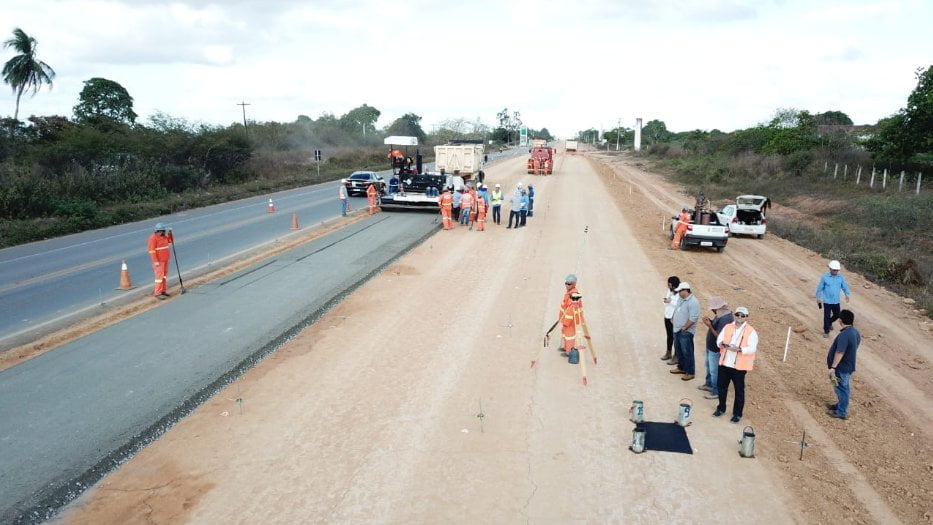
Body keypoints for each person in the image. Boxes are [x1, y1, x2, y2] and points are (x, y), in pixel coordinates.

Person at [714, 306, 758, 423]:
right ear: (735, 315)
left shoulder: (751, 331)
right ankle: (721, 408)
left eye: (742, 316)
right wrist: (721, 344)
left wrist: (739, 349)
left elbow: (752, 348)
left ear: (746, 317)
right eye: (738, 314)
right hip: (725, 363)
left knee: (739, 391)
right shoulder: (728, 327)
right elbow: (719, 339)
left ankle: (737, 414)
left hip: (739, 367)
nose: (739, 317)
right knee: (722, 387)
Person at [827, 309, 860, 420]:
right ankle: (840, 405)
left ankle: (841, 411)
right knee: (841, 387)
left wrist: (833, 367)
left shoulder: (845, 335)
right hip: (847, 366)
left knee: (842, 388)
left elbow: (840, 352)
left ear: (840, 320)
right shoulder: (855, 332)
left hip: (841, 368)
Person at [700, 297, 733, 400]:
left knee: (714, 371)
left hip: (716, 350)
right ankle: (708, 385)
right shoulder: (720, 315)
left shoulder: (725, 319)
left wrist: (709, 326)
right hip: (711, 347)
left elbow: (719, 336)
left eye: (713, 309)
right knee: (708, 367)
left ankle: (716, 391)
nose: (712, 310)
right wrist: (710, 322)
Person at [670, 282, 700, 380]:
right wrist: (673, 318)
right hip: (677, 328)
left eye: (680, 291)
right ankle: (681, 367)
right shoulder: (681, 298)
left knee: (687, 352)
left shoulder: (693, 302)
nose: (678, 292)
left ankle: (690, 372)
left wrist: (685, 327)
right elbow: (677, 309)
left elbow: (693, 318)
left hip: (686, 331)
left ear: (686, 290)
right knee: (679, 350)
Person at [816, 260, 852, 338]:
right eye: (834, 270)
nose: (836, 271)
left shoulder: (840, 277)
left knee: (837, 315)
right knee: (826, 316)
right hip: (827, 301)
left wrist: (847, 294)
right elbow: (820, 288)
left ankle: (829, 323)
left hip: (836, 301)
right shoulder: (825, 277)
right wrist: (818, 298)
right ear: (830, 268)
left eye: (837, 270)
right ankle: (826, 331)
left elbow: (844, 286)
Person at [557, 274, 587, 360]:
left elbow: (570, 312)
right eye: (566, 283)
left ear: (574, 284)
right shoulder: (569, 292)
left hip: (570, 320)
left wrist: (566, 322)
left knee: (569, 335)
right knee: (564, 333)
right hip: (565, 318)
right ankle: (565, 347)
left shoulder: (575, 295)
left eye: (569, 284)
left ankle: (569, 352)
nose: (567, 285)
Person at [147, 223, 174, 299]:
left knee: (164, 276)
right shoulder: (152, 238)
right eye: (161, 231)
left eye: (163, 231)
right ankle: (157, 293)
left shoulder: (164, 236)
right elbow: (152, 251)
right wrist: (155, 261)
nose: (162, 233)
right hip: (159, 261)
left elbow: (171, 241)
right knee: (159, 277)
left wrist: (170, 234)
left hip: (165, 259)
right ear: (157, 231)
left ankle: (163, 290)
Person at [661, 276, 681, 363]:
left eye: (669, 284)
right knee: (669, 336)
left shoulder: (680, 293)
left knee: (676, 337)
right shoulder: (669, 290)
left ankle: (676, 356)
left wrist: (670, 301)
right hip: (667, 316)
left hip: (675, 317)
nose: (668, 286)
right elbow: (667, 300)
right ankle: (668, 352)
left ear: (674, 285)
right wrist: (666, 301)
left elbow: (679, 304)